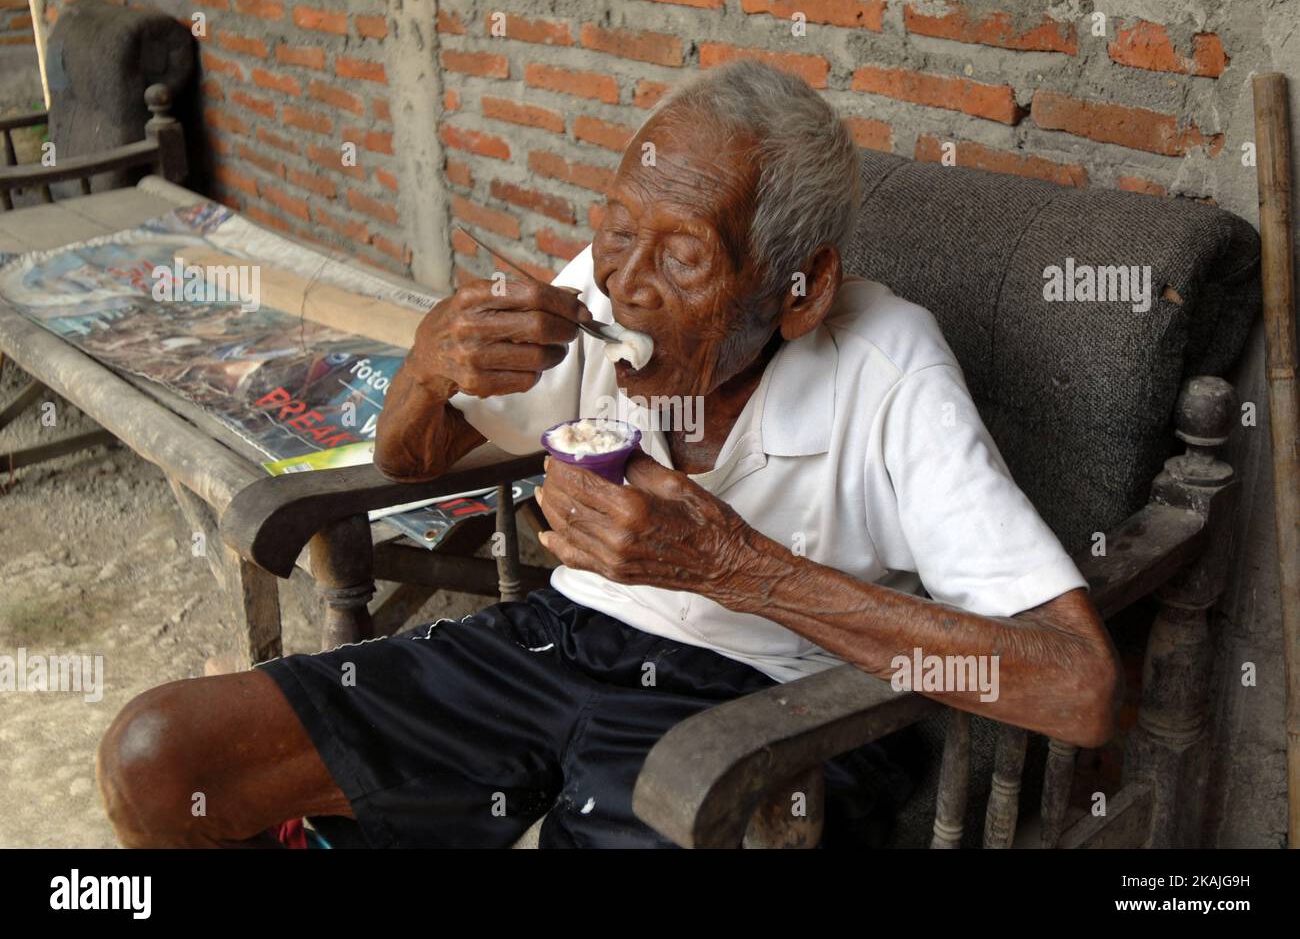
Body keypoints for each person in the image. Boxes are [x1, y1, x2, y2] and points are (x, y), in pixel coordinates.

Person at [96, 60, 1121, 848]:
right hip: (562, 639)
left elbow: (1075, 684)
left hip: (773, 702)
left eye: (682, 255)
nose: (624, 286)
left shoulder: (890, 365)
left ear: (801, 290)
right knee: (159, 758)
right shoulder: (599, 285)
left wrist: (739, 569)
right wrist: (425, 369)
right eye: (617, 228)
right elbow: (411, 457)